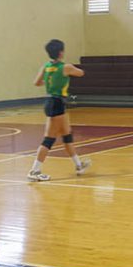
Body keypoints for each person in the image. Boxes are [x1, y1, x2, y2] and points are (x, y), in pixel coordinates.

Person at [27, 39, 90, 182]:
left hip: (53, 102)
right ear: (61, 52)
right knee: (48, 139)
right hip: (57, 103)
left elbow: (36, 82)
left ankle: (79, 165)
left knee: (67, 136)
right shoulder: (66, 67)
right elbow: (81, 73)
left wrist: (51, 81)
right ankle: (35, 170)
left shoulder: (46, 67)